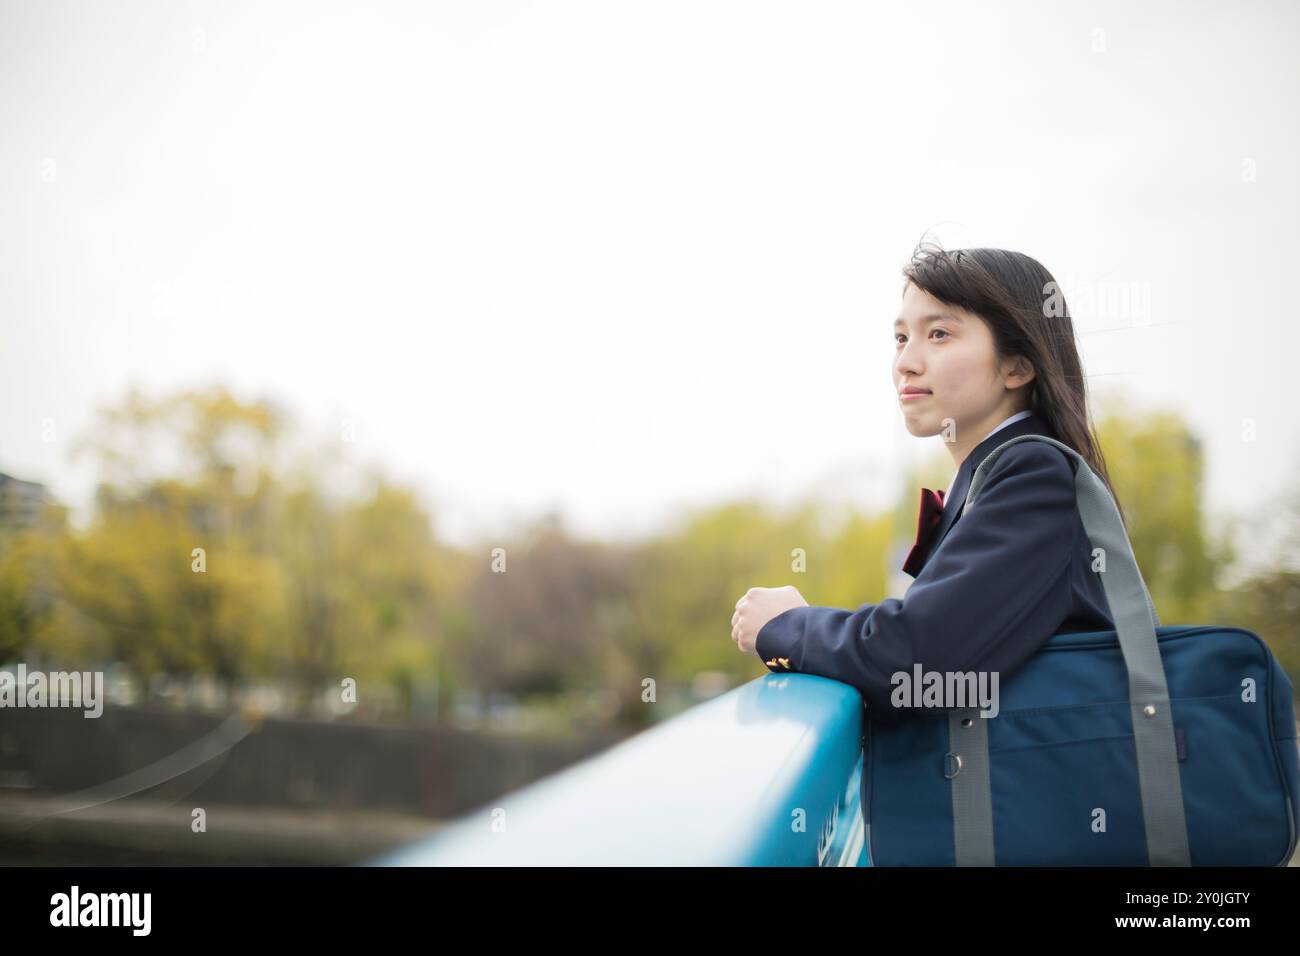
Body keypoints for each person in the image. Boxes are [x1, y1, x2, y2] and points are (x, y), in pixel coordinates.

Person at [729, 242, 1117, 726]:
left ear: (1017, 366)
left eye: (938, 334)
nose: (906, 362)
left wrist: (789, 625)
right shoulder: (994, 477)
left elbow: (917, 656)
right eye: (900, 339)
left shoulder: (1034, 475)